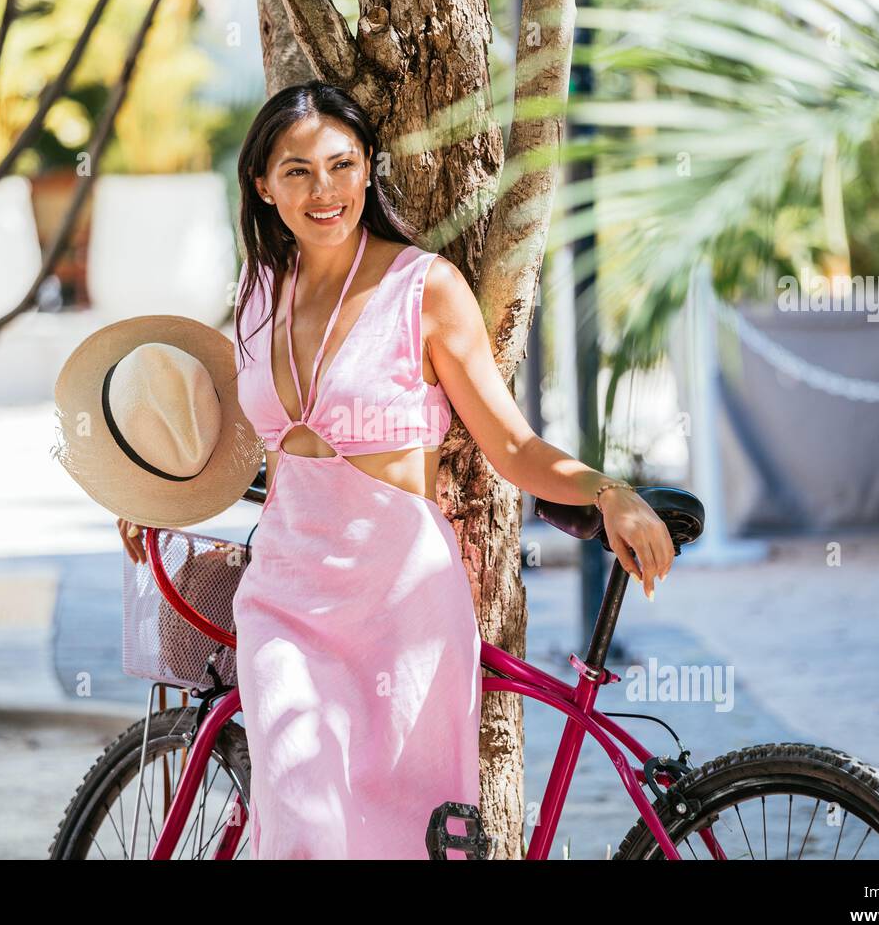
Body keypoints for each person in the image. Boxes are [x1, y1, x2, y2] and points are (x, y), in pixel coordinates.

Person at [118, 81, 674, 859]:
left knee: (400, 838)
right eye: (300, 170)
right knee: (304, 822)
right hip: (282, 594)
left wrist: (610, 493)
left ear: (369, 167)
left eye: (343, 165)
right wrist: (151, 495)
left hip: (399, 604)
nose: (325, 191)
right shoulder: (255, 294)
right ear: (262, 183)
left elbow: (510, 445)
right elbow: (251, 448)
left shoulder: (425, 288)